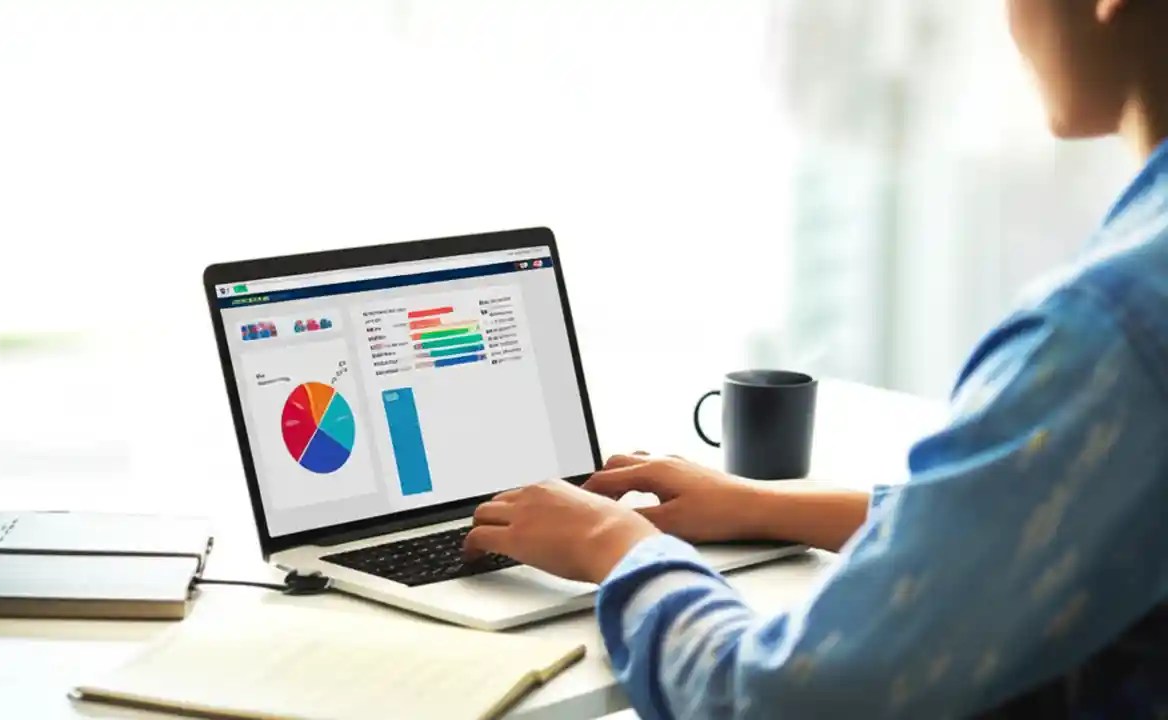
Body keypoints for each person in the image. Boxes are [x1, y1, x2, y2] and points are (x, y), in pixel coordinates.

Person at [462, 0, 1168, 716]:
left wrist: (615, 545)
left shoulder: (1109, 334)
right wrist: (762, 505)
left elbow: (781, 699)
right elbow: (1050, 512)